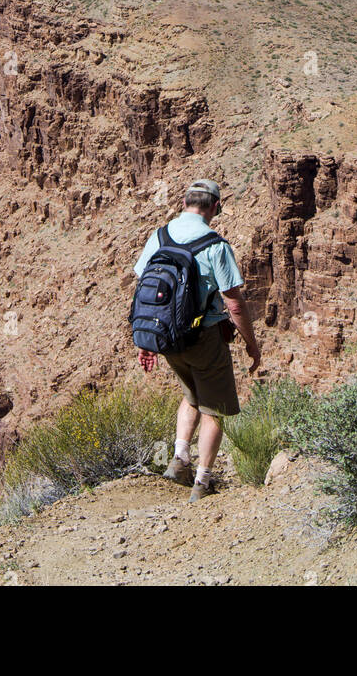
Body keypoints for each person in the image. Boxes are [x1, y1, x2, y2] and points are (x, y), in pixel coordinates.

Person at [134, 178, 261, 501]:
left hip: (168, 339)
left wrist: (145, 340)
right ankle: (202, 481)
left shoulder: (160, 236)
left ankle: (179, 460)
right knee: (213, 409)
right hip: (205, 337)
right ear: (214, 207)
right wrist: (251, 343)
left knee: (191, 395)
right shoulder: (215, 245)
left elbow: (144, 289)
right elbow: (234, 302)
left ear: (185, 201)